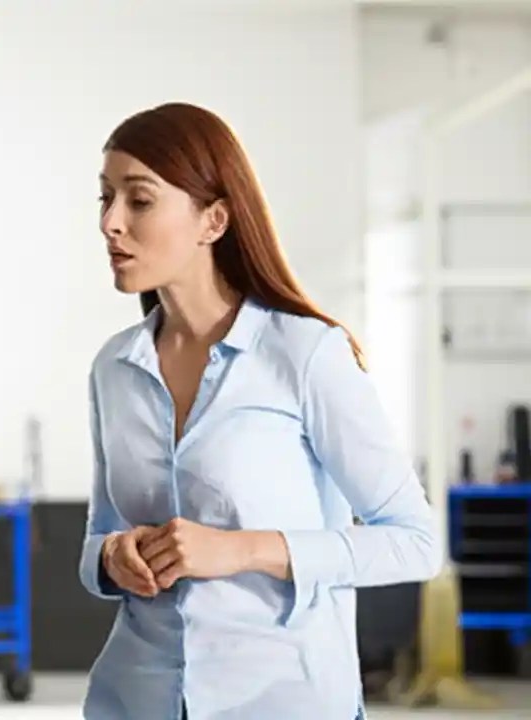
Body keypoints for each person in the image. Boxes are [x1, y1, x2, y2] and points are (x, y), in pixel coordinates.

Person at [78, 102, 442, 720]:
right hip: (136, 699)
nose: (111, 223)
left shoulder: (304, 355)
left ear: (213, 220)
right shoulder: (114, 368)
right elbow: (98, 540)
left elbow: (415, 543)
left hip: (282, 699)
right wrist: (112, 558)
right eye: (104, 198)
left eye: (138, 201)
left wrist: (244, 550)